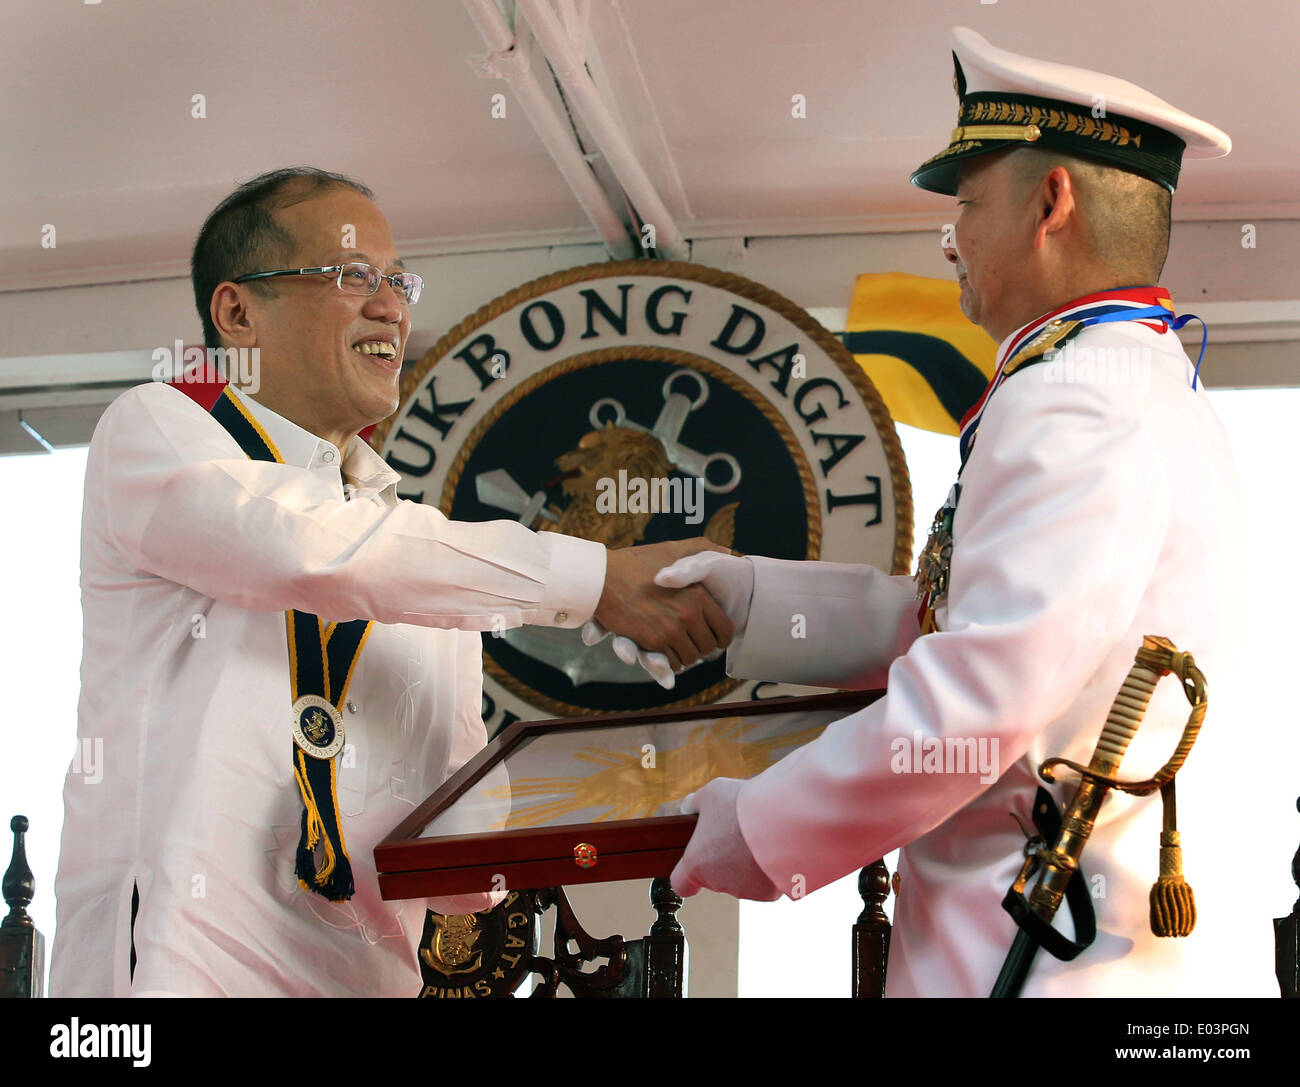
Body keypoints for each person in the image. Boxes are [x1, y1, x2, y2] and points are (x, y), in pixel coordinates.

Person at [657, 28, 1272, 996]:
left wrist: (761, 825)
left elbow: (981, 693)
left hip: (1040, 960)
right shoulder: (1131, 378)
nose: (951, 241)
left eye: (967, 205)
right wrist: (745, 603)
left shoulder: (1074, 396)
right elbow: (962, 619)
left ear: (1050, 203)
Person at [49, 166, 732, 997]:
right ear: (237, 312)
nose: (392, 308)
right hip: (173, 975)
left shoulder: (418, 557)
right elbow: (304, 547)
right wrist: (596, 579)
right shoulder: (155, 433)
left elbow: (459, 871)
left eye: (399, 282)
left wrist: (634, 791)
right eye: (352, 275)